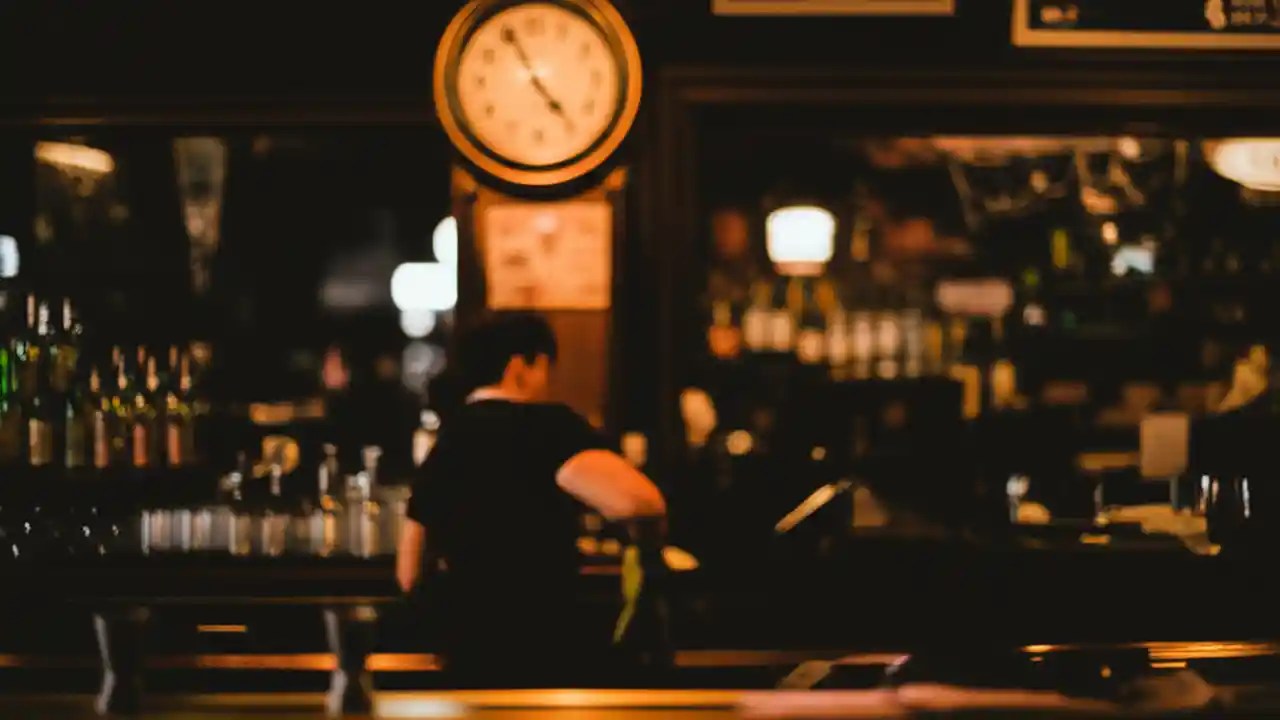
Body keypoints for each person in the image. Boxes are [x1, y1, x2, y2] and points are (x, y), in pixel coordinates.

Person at [395, 312, 667, 682]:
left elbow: (408, 572)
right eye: (545, 368)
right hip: (545, 644)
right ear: (519, 365)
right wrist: (646, 542)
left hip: (465, 655)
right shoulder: (546, 426)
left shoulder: (448, 441)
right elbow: (640, 502)